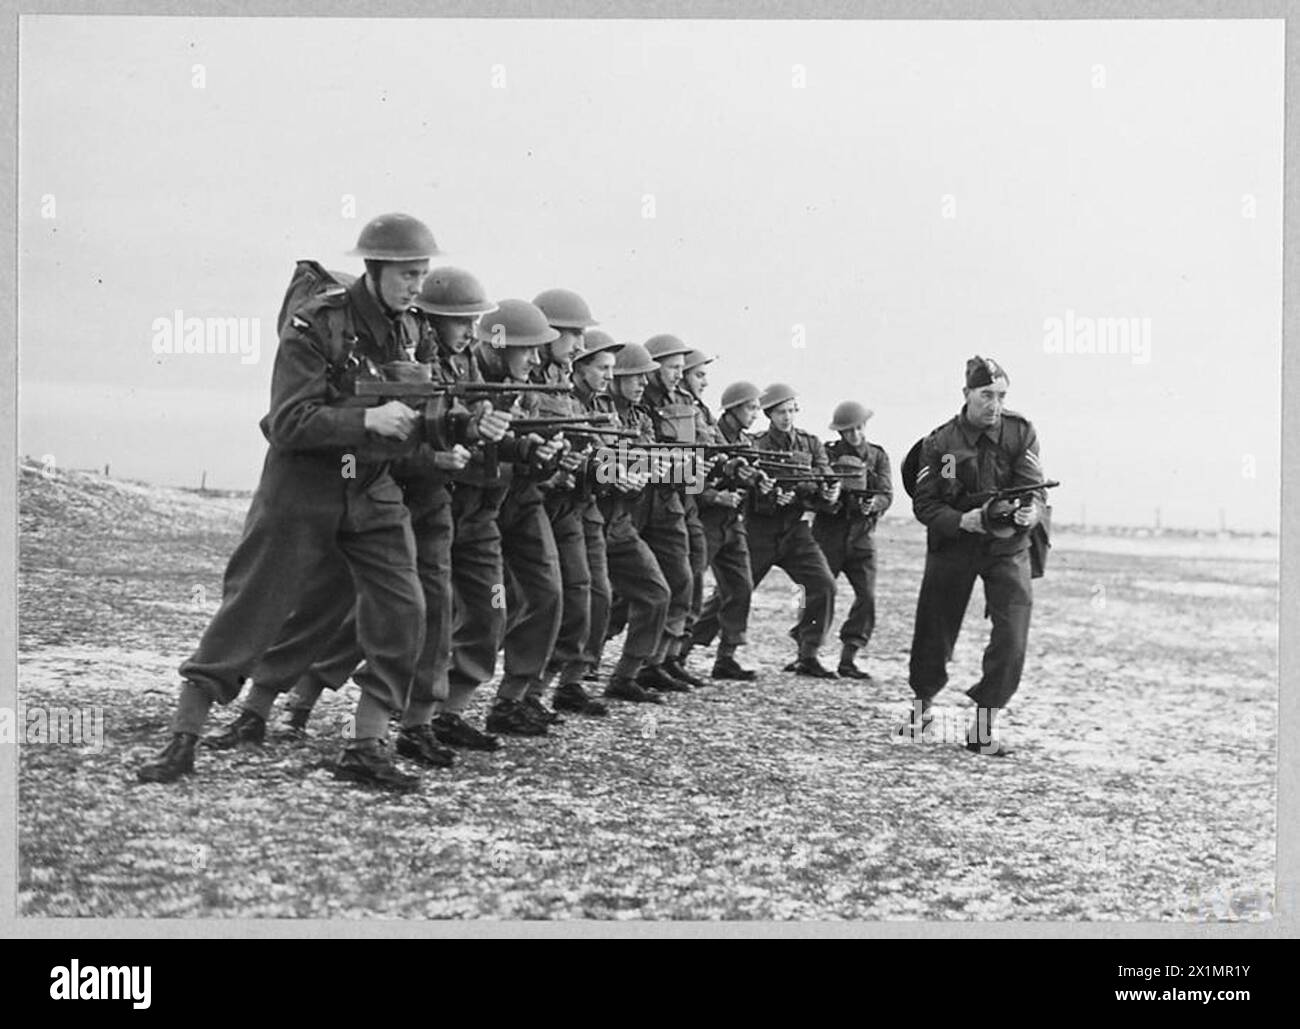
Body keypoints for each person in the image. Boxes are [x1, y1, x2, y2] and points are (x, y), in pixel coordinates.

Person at [137, 213, 443, 790]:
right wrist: (368, 419)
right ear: (375, 270)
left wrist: (466, 426)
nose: (416, 285)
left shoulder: (410, 332)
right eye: (407, 273)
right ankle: (184, 738)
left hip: (371, 488)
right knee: (251, 609)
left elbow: (417, 418)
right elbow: (290, 421)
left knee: (405, 611)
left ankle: (367, 745)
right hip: (302, 487)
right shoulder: (316, 324)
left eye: (423, 273)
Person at [212, 267, 511, 757]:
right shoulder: (396, 352)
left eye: (473, 322)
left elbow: (437, 426)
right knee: (325, 609)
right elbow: (375, 439)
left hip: (426, 503)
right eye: (460, 321)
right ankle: (263, 707)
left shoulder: (450, 362)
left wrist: (471, 438)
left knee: (425, 614)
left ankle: (408, 726)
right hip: (374, 494)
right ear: (431, 318)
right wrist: (431, 453)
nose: (469, 331)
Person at [905, 356, 1045, 757]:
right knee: (934, 629)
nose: (994, 405)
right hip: (956, 545)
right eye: (986, 395)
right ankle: (922, 707)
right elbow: (926, 505)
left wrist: (1029, 511)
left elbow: (1034, 489)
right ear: (966, 394)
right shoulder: (943, 445)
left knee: (1013, 636)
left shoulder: (1021, 433)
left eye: (1001, 396)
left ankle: (983, 727)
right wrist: (960, 520)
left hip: (1007, 546)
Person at [471, 300, 567, 733]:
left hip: (519, 501)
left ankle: (512, 700)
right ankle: (431, 702)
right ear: (497, 347)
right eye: (526, 349)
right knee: (481, 605)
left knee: (546, 592)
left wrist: (546, 456)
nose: (534, 358)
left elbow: (528, 454)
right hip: (469, 510)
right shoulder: (467, 380)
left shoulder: (529, 387)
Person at [524, 289, 609, 717]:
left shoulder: (562, 380)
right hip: (526, 501)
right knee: (530, 599)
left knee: (580, 595)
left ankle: (538, 691)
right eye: (573, 334)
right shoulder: (527, 376)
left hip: (566, 502)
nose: (578, 345)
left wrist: (582, 462)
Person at [597, 342, 675, 702]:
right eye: (633, 376)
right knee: (586, 603)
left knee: (656, 593)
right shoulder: (597, 410)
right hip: (589, 517)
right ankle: (559, 682)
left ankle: (625, 676)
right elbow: (596, 458)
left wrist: (653, 468)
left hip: (620, 520)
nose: (642, 382)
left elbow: (646, 459)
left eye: (645, 376)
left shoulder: (639, 418)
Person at [747, 383, 840, 677]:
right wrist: (770, 496)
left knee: (823, 585)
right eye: (780, 412)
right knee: (734, 591)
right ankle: (683, 652)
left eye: (791, 410)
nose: (787, 417)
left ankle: (808, 654)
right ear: (768, 414)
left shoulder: (810, 444)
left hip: (796, 531)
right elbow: (747, 483)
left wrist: (830, 491)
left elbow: (825, 476)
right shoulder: (756, 444)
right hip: (759, 530)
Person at [639, 334, 708, 689]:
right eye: (673, 367)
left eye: (683, 368)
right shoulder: (638, 399)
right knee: (639, 587)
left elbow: (695, 449)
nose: (679, 375)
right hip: (640, 498)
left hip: (673, 497)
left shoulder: (683, 401)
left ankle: (661, 659)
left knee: (682, 578)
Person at [683, 374, 759, 681]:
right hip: (706, 519)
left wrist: (755, 480)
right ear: (733, 409)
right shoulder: (712, 433)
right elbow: (693, 476)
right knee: (689, 587)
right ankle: (677, 653)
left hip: (731, 521)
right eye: (751, 408)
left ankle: (726, 657)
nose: (755, 414)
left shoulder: (746, 441)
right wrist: (717, 495)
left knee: (741, 587)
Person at [813, 400, 892, 681]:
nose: (855, 435)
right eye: (848, 431)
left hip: (861, 536)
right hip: (829, 534)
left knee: (867, 596)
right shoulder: (826, 454)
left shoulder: (878, 456)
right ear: (840, 433)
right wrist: (830, 497)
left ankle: (849, 656)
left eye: (858, 428)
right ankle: (806, 653)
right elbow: (815, 491)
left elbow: (886, 492)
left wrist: (875, 504)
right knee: (818, 593)